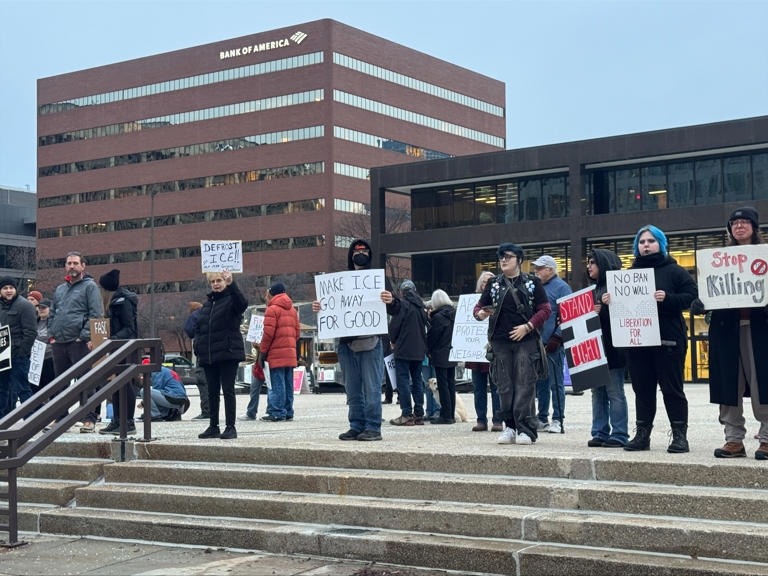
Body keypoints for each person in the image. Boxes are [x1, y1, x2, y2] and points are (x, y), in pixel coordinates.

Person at [691, 207, 768, 460]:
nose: (739, 226)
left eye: (745, 222)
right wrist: (700, 302)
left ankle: (766, 438)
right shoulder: (716, 260)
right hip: (726, 329)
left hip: (760, 328)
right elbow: (707, 290)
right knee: (728, 385)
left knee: (763, 384)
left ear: (755, 227)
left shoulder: (766, 256)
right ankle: (733, 439)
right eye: (735, 223)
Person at [615, 225, 697, 453]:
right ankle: (643, 435)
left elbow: (693, 296)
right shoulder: (628, 275)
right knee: (642, 390)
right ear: (636, 247)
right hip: (638, 342)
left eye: (651, 241)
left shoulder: (674, 271)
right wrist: (611, 300)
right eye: (641, 242)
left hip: (668, 341)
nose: (646, 245)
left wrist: (668, 298)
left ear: (660, 244)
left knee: (672, 389)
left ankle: (680, 436)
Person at [474, 243, 551, 446]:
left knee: (525, 384)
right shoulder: (493, 284)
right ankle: (509, 426)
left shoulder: (532, 282)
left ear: (519, 260)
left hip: (526, 340)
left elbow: (545, 310)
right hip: (500, 342)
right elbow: (479, 307)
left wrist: (528, 326)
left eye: (508, 256)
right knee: (504, 386)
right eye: (501, 257)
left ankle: (526, 429)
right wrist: (480, 314)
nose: (504, 260)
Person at [313, 239, 387, 441]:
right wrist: (320, 308)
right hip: (346, 344)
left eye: (364, 250)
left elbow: (394, 308)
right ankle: (356, 425)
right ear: (351, 255)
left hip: (370, 343)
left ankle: (373, 427)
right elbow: (332, 308)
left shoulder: (379, 281)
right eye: (356, 251)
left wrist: (392, 300)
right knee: (353, 390)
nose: (360, 254)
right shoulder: (341, 282)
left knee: (371, 388)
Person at [49, 251, 103, 431]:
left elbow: (96, 314)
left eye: (75, 263)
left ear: (83, 266)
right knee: (60, 382)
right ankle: (60, 417)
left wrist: (85, 335)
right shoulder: (60, 289)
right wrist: (52, 335)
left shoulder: (90, 287)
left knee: (86, 380)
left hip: (79, 341)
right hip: (59, 341)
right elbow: (53, 312)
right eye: (68, 263)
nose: (71, 266)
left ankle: (90, 418)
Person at [195, 270, 248, 440]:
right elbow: (200, 328)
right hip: (209, 355)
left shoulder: (231, 300)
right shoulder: (207, 305)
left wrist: (233, 284)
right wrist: (198, 346)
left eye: (219, 280)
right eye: (213, 281)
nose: (216, 284)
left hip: (228, 352)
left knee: (228, 390)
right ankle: (213, 426)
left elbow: (242, 304)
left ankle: (230, 427)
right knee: (212, 391)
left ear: (224, 282)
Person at [586, 249, 629, 448]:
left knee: (614, 392)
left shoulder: (616, 287)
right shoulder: (594, 289)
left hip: (612, 350)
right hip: (596, 350)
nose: (588, 266)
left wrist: (604, 310)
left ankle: (619, 434)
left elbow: (625, 315)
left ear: (602, 264)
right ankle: (600, 432)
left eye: (592, 262)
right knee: (599, 393)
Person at [532, 255, 572, 434]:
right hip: (538, 343)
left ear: (550, 269)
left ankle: (558, 418)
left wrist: (558, 336)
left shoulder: (563, 288)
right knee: (541, 383)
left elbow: (568, 315)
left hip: (553, 343)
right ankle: (542, 418)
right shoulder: (536, 287)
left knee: (556, 383)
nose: (536, 271)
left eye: (540, 268)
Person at [96, 269, 139, 435]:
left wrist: (112, 338)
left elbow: (130, 329)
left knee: (126, 384)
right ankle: (117, 420)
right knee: (114, 384)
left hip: (125, 349)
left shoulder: (123, 302)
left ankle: (128, 422)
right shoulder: (115, 301)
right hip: (115, 348)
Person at [382, 280, 429, 426]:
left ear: (402, 292)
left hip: (403, 349)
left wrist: (393, 340)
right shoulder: (422, 307)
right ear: (415, 290)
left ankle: (406, 414)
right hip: (419, 349)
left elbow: (394, 325)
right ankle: (419, 414)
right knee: (417, 381)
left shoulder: (403, 304)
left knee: (403, 381)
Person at [259, 283, 300, 422]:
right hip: (290, 352)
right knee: (288, 383)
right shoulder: (293, 310)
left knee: (277, 383)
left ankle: (277, 412)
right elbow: (297, 333)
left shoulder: (272, 309)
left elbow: (268, 334)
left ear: (272, 293)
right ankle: (288, 411)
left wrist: (262, 351)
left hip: (276, 353)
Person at [468, 271, 502, 432]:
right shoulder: (471, 301)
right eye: (484, 282)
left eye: (490, 282)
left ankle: (498, 419)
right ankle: (481, 419)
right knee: (478, 387)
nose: (486, 285)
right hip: (476, 353)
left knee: (497, 387)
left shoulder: (501, 299)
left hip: (494, 350)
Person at [0, 277, 37, 417]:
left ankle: (30, 420)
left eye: (11, 287)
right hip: (2, 355)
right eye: (5, 288)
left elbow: (31, 332)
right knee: (1, 389)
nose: (8, 291)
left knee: (22, 388)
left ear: (15, 289)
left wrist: (22, 352)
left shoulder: (25, 305)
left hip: (18, 356)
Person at [427, 289, 457, 424]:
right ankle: (451, 413)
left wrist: (428, 349)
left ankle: (445, 415)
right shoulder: (454, 314)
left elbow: (432, 337)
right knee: (451, 383)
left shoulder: (438, 317)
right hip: (453, 352)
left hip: (440, 353)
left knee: (443, 384)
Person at [184, 301, 210, 420]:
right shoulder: (213, 311)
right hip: (217, 352)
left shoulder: (196, 315)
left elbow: (189, 330)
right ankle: (213, 409)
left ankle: (206, 411)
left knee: (202, 381)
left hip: (203, 352)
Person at [33, 298, 56, 392]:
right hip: (35, 360)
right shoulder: (34, 322)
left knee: (49, 387)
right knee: (34, 388)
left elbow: (54, 339)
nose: (41, 309)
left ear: (50, 309)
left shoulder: (54, 322)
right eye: (39, 307)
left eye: (44, 308)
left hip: (49, 358)